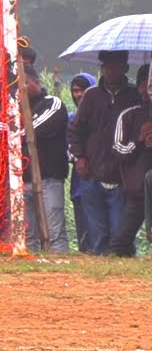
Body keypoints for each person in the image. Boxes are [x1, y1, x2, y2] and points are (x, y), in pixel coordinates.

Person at [67, 50, 140, 254]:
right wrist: (79, 157)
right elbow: (74, 129)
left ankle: (124, 275)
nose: (110, 70)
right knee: (98, 234)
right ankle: (101, 279)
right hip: (91, 172)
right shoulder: (91, 96)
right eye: (106, 66)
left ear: (125, 67)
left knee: (120, 233)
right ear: (101, 68)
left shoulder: (134, 96)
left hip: (123, 174)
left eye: (115, 65)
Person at [21, 65, 69, 254]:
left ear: (36, 82)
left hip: (48, 178)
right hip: (22, 180)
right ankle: (30, 275)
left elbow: (34, 130)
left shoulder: (53, 103)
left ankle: (61, 271)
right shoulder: (11, 105)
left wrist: (17, 132)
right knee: (26, 236)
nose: (21, 88)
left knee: (54, 232)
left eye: (24, 82)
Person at [111, 64, 151, 257]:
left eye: (149, 84)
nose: (146, 89)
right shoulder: (129, 115)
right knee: (119, 243)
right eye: (143, 84)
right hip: (137, 191)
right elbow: (118, 151)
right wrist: (139, 140)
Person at [68, 73, 97, 253]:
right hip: (80, 181)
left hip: (101, 177)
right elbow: (68, 149)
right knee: (84, 228)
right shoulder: (71, 118)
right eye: (75, 91)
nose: (79, 94)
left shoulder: (102, 116)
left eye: (84, 90)